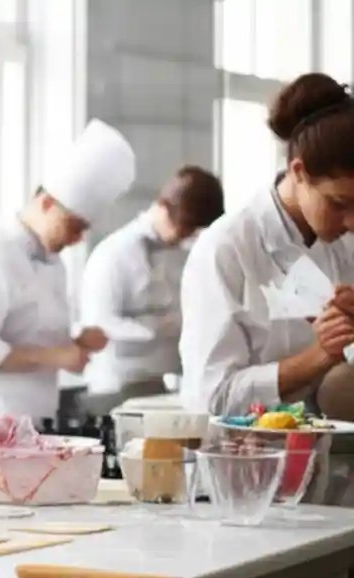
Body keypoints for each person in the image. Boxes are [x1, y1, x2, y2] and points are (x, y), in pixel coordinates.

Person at [180, 72, 354, 419]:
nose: (351, 222)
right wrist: (318, 355)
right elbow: (211, 398)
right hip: (246, 461)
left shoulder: (342, 245)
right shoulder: (227, 248)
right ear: (299, 171)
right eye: (339, 203)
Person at [0, 119, 136, 433]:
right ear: (47, 203)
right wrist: (56, 355)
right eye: (74, 226)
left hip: (40, 422)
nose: (77, 240)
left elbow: (30, 337)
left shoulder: (54, 263)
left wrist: (76, 342)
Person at [79, 166, 224, 414]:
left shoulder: (185, 254)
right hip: (115, 389)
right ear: (163, 207)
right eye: (184, 228)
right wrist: (154, 328)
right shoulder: (112, 254)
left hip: (161, 386)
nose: (186, 236)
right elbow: (97, 325)